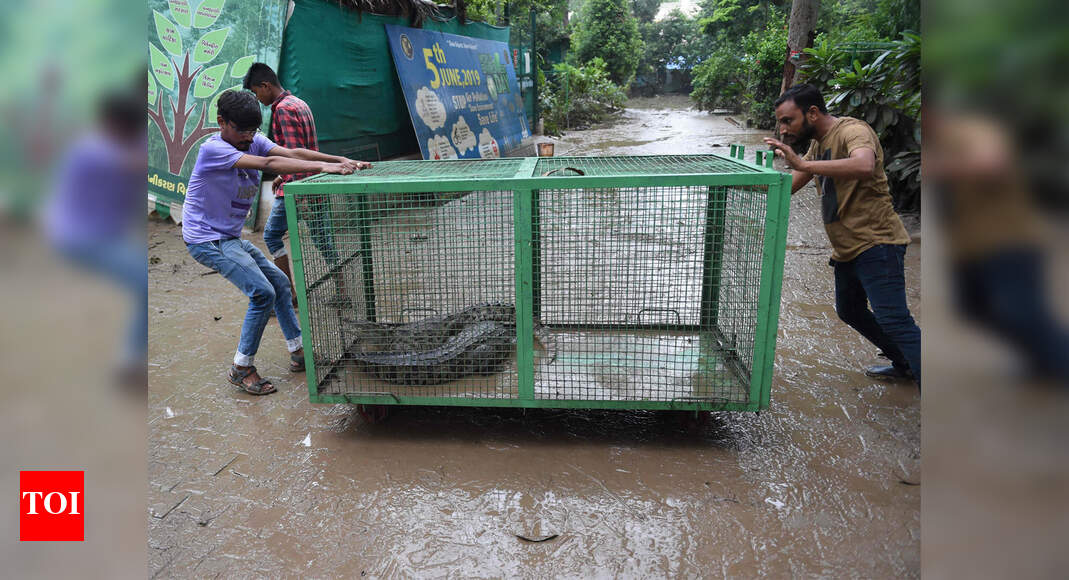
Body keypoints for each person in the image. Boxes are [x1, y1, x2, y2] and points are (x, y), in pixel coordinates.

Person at [183, 89, 370, 395]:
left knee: (281, 283)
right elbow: (269, 166)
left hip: (229, 237)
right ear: (222, 122)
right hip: (208, 239)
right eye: (242, 130)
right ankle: (241, 368)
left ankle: (298, 352)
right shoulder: (213, 150)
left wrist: (337, 159)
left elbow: (292, 153)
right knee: (262, 293)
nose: (248, 137)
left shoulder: (252, 140)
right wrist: (324, 168)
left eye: (253, 130)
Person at [763, 83, 921, 387]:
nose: (783, 129)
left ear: (811, 113)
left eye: (788, 120)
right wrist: (740, 183)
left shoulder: (853, 131)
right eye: (781, 122)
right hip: (848, 248)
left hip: (877, 241)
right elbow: (789, 186)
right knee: (849, 310)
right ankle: (905, 362)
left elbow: (864, 164)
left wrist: (804, 163)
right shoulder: (818, 143)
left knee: (895, 320)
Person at [44, 90, 147, 391]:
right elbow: (132, 164)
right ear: (110, 124)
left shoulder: (126, 140)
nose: (130, 133)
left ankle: (128, 354)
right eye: (125, 128)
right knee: (142, 281)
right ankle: (129, 361)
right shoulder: (90, 150)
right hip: (79, 238)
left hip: (108, 232)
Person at [243, 62, 366, 310]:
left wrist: (295, 191)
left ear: (265, 86)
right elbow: (303, 151)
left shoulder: (283, 110)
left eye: (257, 92)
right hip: (314, 183)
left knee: (270, 236)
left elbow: (293, 155)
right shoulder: (299, 103)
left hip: (299, 188)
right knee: (323, 240)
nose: (258, 98)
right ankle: (342, 291)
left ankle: (290, 294)